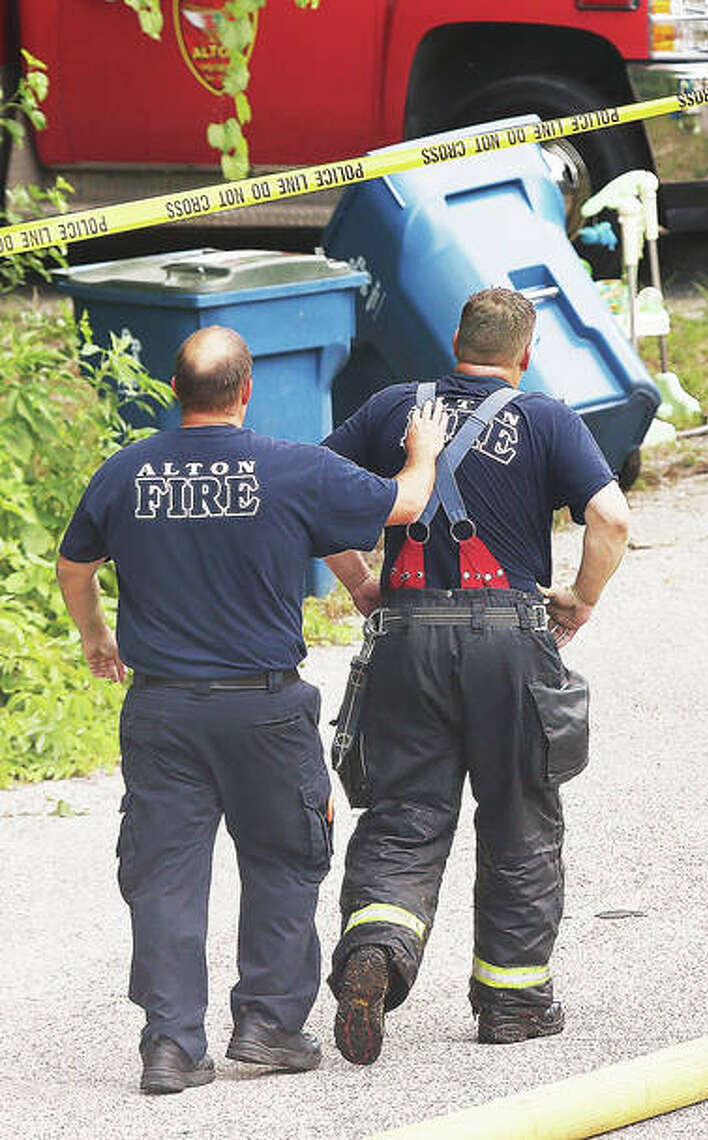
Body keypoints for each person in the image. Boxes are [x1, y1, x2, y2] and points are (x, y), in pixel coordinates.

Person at [56, 326, 446, 1094]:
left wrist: (98, 637)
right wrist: (423, 450)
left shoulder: (125, 471)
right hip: (264, 711)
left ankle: (169, 1047)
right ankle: (267, 1027)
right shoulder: (290, 467)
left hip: (162, 712)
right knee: (282, 861)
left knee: (164, 875)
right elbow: (404, 504)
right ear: (246, 390)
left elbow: (74, 566)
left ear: (175, 392)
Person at [321, 286, 630, 1062]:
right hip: (509, 643)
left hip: (407, 641)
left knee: (403, 814)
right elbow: (613, 518)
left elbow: (315, 495)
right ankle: (514, 1002)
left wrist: (362, 582)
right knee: (520, 820)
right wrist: (583, 602)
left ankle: (378, 953)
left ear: (454, 336)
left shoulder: (395, 408)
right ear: (525, 355)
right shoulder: (547, 417)